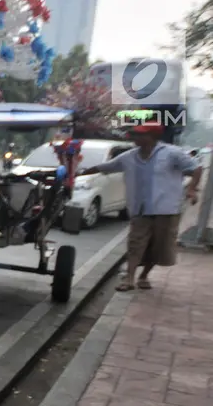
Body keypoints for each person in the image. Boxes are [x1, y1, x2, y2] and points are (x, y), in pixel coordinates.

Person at [81, 123, 203, 291]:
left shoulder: (171, 154)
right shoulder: (129, 157)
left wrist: (191, 189)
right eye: (134, 134)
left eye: (139, 135)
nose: (135, 138)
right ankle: (129, 279)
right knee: (135, 244)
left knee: (158, 247)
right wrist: (77, 173)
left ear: (152, 137)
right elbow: (106, 167)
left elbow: (196, 168)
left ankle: (144, 275)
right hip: (140, 209)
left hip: (166, 209)